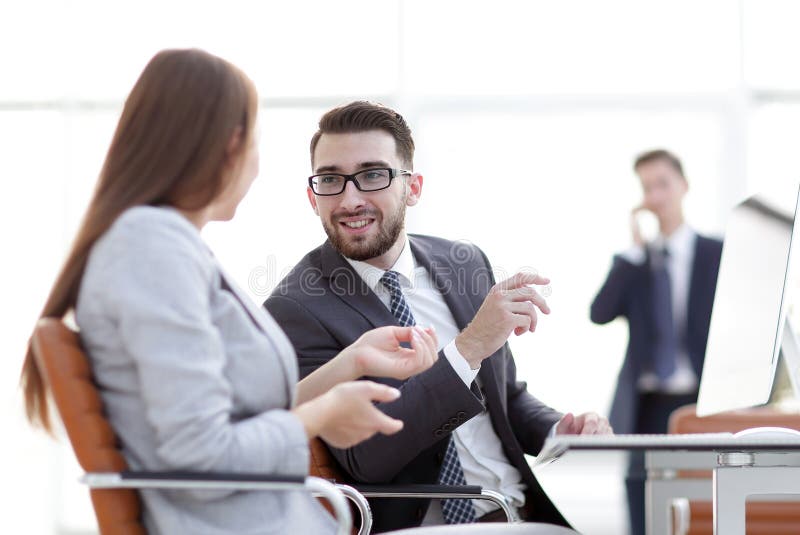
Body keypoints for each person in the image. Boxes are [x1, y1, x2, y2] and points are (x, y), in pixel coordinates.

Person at [19, 49, 442, 535]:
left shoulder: (165, 245)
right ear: (230, 143)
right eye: (256, 143)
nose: (256, 167)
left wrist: (353, 361)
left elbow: (234, 422)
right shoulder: (151, 250)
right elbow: (201, 455)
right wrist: (321, 415)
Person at [263, 101, 612, 533]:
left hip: (522, 512)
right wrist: (469, 347)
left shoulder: (463, 263)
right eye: (331, 180)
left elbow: (504, 397)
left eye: (372, 175)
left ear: (413, 188)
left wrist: (562, 432)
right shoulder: (296, 308)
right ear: (312, 197)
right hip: (427, 526)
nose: (350, 200)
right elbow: (366, 458)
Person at [590, 149, 723, 535]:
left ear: (684, 185)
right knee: (641, 498)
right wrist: (635, 251)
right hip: (645, 404)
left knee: (704, 500)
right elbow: (600, 312)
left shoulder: (715, 253)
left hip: (700, 400)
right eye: (647, 188)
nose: (656, 196)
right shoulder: (636, 262)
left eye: (663, 184)